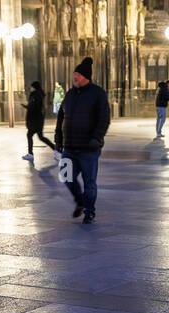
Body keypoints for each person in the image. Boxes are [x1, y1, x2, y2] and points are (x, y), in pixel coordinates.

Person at [53, 56, 110, 224]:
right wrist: (58, 139)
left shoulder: (98, 93)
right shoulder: (70, 94)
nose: (74, 77)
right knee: (66, 176)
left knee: (89, 182)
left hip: (89, 148)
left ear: (85, 76)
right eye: (74, 74)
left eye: (77, 75)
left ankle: (89, 211)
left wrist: (96, 138)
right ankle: (81, 201)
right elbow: (61, 117)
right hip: (70, 146)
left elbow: (104, 119)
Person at [23, 81, 54, 160]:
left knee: (29, 135)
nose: (30, 88)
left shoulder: (35, 95)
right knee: (40, 137)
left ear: (34, 87)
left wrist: (27, 107)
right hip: (38, 120)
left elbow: (33, 107)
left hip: (35, 121)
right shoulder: (39, 95)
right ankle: (55, 148)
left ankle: (30, 154)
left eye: (31, 87)